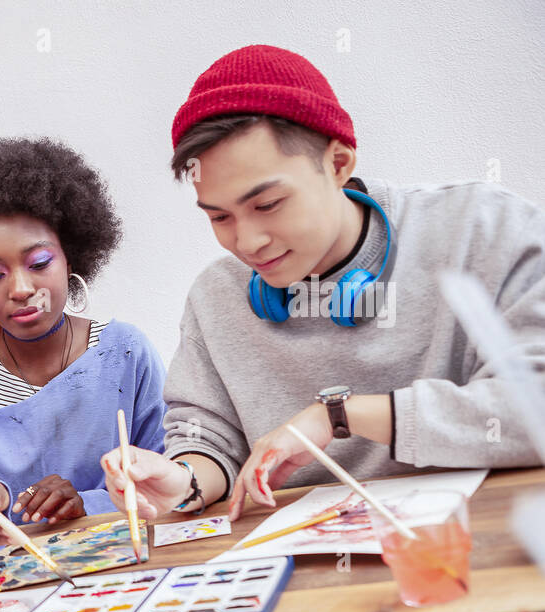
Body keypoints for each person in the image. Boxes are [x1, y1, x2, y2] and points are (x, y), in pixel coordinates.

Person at [101, 45, 545, 521]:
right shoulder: (216, 295)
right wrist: (183, 481)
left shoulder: (481, 228)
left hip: (487, 545)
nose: (247, 242)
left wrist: (340, 415)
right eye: (219, 216)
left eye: (268, 204)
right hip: (314, 570)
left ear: (338, 163)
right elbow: (208, 439)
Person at [0, 137, 167, 552]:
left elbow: (167, 479)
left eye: (39, 264)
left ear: (71, 258)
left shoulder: (125, 351)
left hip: (118, 558)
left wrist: (87, 503)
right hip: (7, 577)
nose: (21, 289)